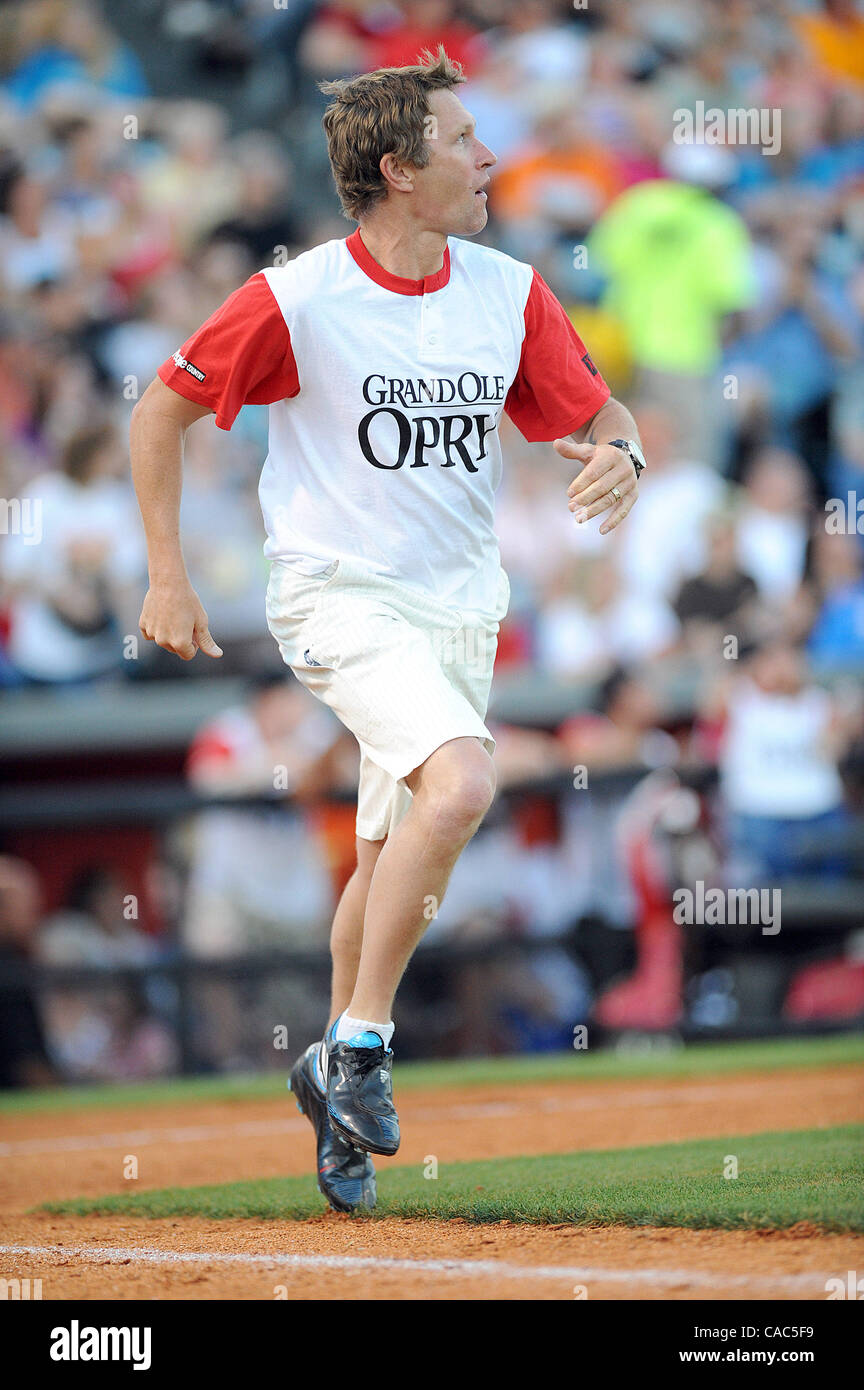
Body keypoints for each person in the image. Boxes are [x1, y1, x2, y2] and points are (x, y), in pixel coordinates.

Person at [130, 47, 645, 1214]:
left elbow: (601, 413)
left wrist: (629, 450)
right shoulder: (297, 296)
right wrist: (168, 570)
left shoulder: (508, 290)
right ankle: (363, 1047)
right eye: (466, 142)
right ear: (399, 168)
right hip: (337, 593)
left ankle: (328, 1074)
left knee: (386, 855)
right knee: (463, 786)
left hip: (459, 605)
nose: (491, 156)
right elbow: (160, 410)